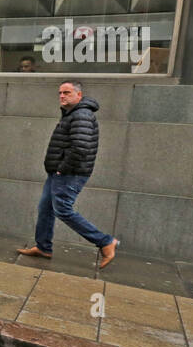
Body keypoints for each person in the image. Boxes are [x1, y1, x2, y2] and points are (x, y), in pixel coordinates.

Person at [18, 80, 119, 267]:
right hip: (60, 172)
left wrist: (61, 168)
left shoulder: (81, 115)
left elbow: (81, 148)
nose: (62, 96)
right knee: (45, 208)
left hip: (69, 173)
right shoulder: (72, 114)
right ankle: (43, 247)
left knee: (63, 209)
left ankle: (105, 242)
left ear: (79, 95)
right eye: (60, 93)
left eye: (67, 93)